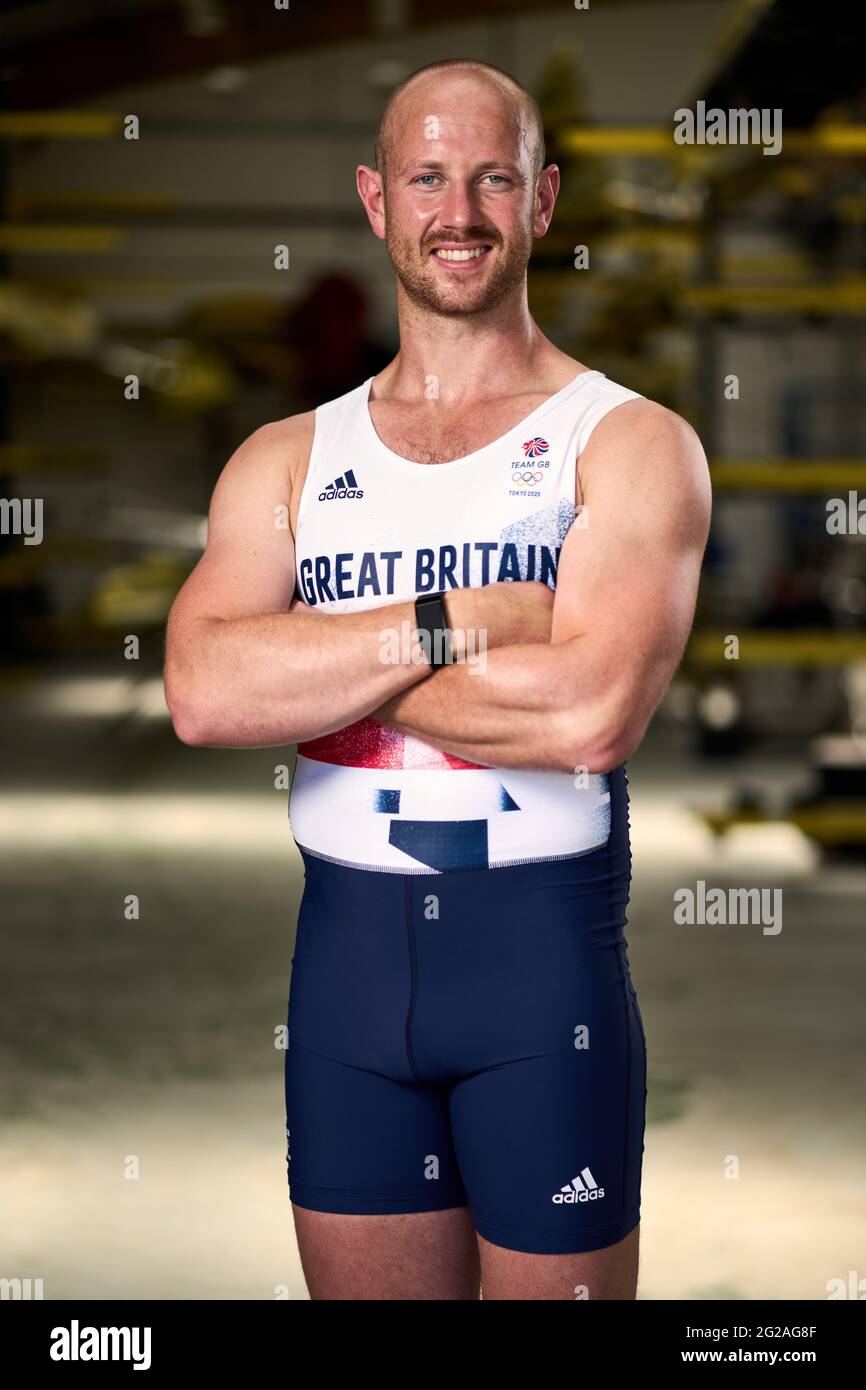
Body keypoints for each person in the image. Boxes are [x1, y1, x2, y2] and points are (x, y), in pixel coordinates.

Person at [165, 58, 711, 1301]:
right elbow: (202, 692)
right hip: (345, 977)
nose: (455, 210)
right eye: (425, 176)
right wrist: (450, 623)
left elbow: (590, 711)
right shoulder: (285, 458)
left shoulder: (625, 443)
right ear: (373, 199)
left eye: (491, 176)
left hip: (539, 975)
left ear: (542, 199)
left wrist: (313, 659)